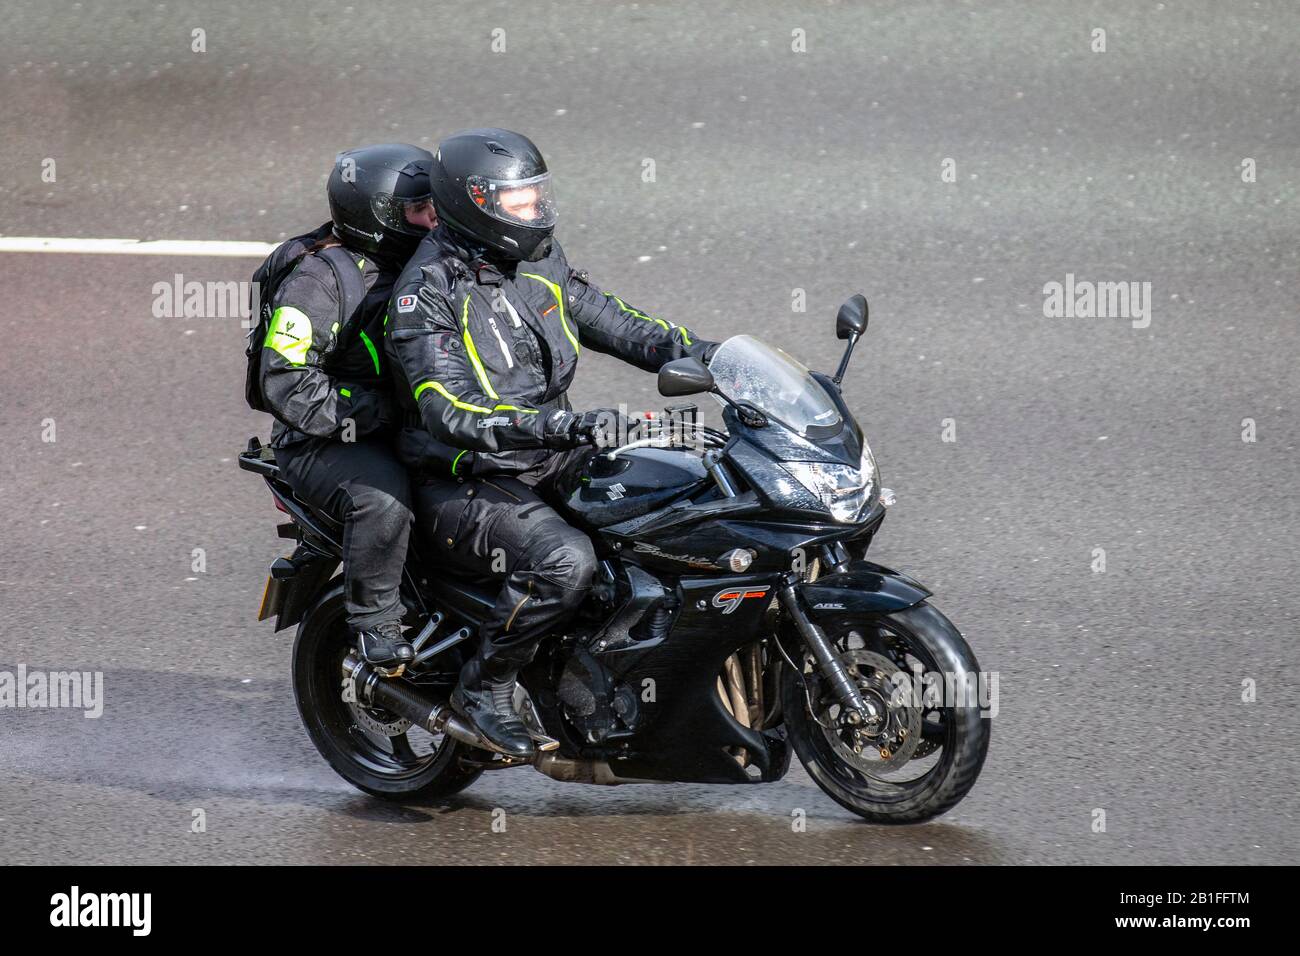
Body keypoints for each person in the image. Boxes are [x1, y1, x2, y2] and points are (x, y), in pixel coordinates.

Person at [385, 128, 719, 755]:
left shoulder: (537, 258)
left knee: (680, 494)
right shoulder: (424, 292)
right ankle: (484, 688)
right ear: (473, 201)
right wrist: (559, 426)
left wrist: (713, 358)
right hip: (467, 476)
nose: (534, 209)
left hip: (551, 452)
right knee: (566, 561)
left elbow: (613, 319)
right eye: (518, 200)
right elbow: (448, 408)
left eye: (537, 195)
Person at [261, 143, 437, 674]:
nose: (433, 219)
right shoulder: (319, 282)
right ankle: (375, 622)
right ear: (377, 215)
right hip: (324, 436)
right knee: (382, 500)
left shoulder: (431, 260)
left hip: (416, 416)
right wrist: (380, 413)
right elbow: (286, 380)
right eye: (418, 210)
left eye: (435, 205)